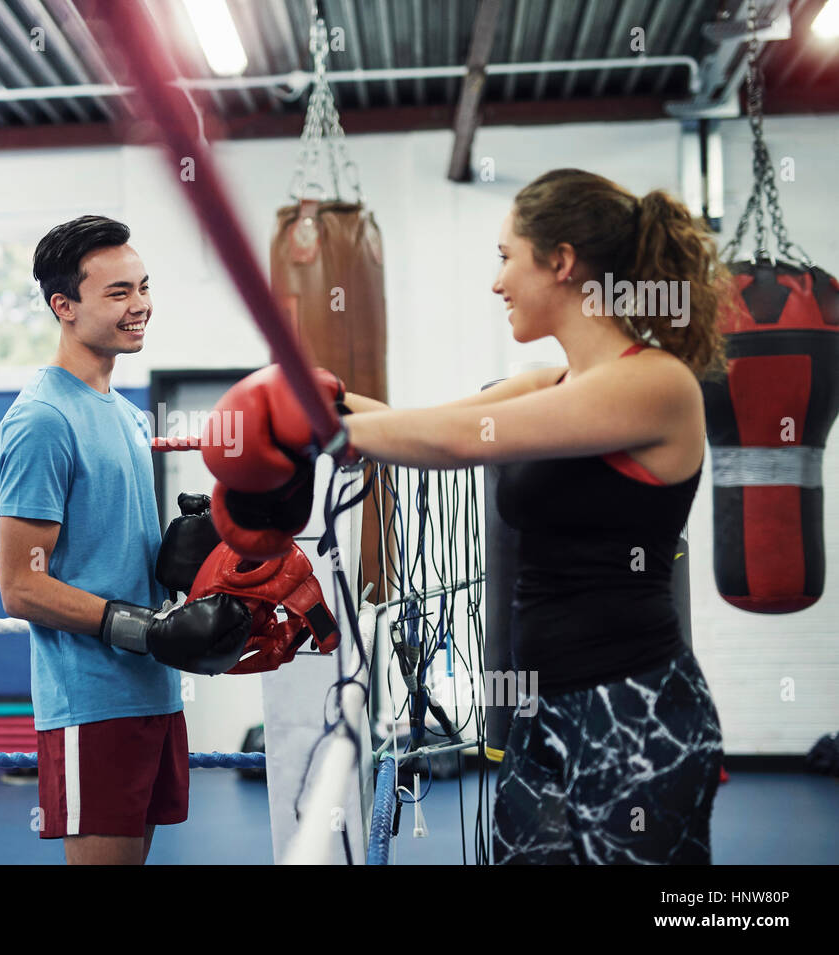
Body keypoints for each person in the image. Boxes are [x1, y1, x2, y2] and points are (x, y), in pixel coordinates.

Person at [234, 169, 727, 864]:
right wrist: (310, 401)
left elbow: (461, 442)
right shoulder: (549, 382)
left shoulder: (656, 384)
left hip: (634, 711)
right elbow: (422, 425)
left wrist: (322, 429)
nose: (496, 282)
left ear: (559, 261)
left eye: (506, 256)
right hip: (537, 711)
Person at [0, 215, 248, 866]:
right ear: (64, 306)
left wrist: (180, 559)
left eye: (143, 287)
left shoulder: (130, 416)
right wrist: (139, 626)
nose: (141, 306)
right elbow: (20, 586)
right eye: (118, 293)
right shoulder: (42, 418)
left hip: (152, 691)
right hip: (92, 697)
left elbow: (105, 552)